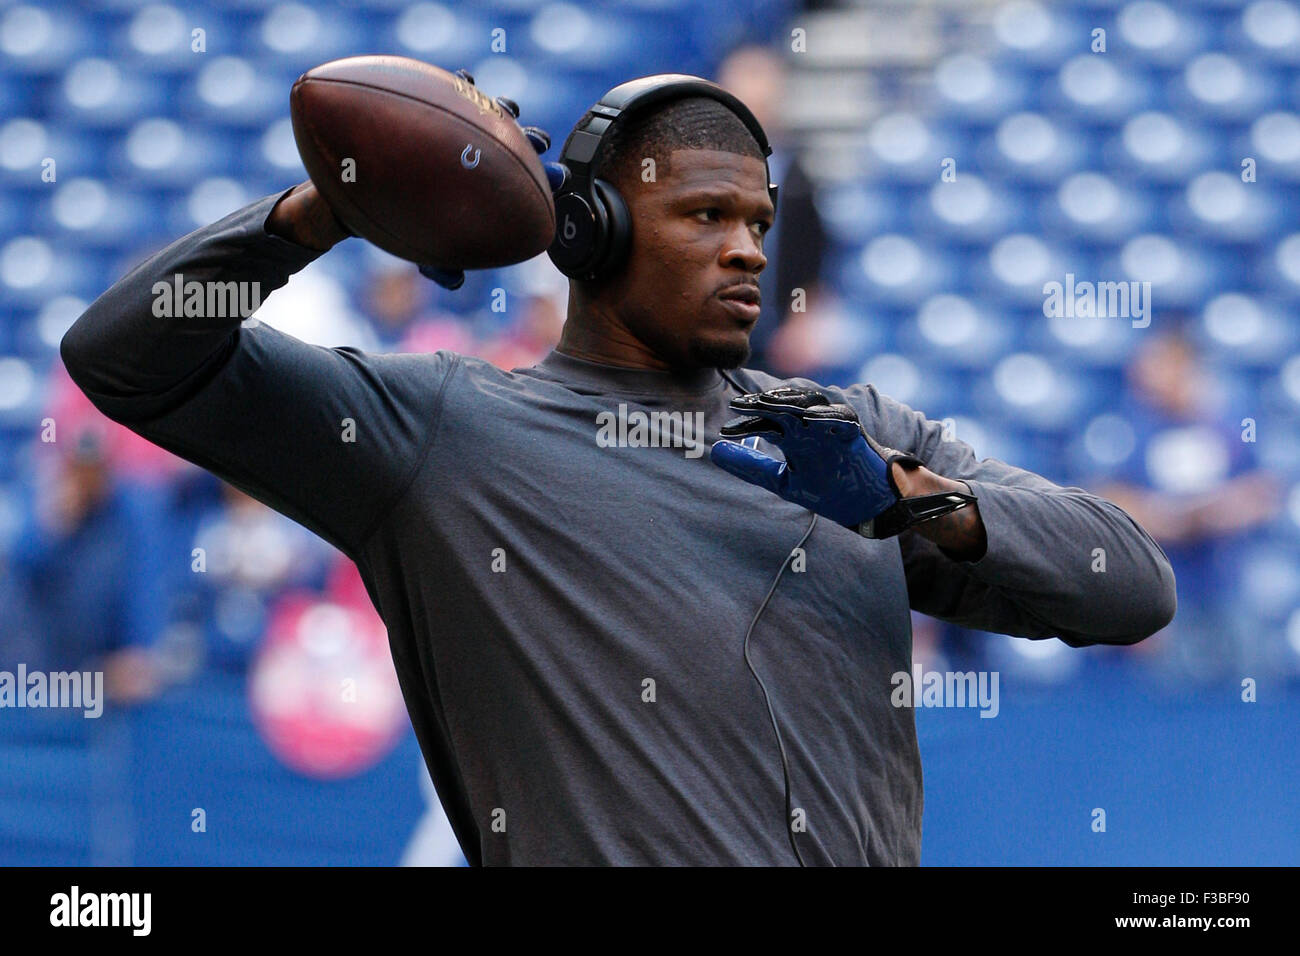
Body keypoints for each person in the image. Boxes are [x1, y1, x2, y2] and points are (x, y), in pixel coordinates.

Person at [60, 74, 1176, 866]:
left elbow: (1129, 585)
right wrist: (319, 213)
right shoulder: (442, 434)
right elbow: (127, 357)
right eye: (704, 215)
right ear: (589, 234)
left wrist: (909, 501)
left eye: (758, 220)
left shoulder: (847, 435)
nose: (747, 247)